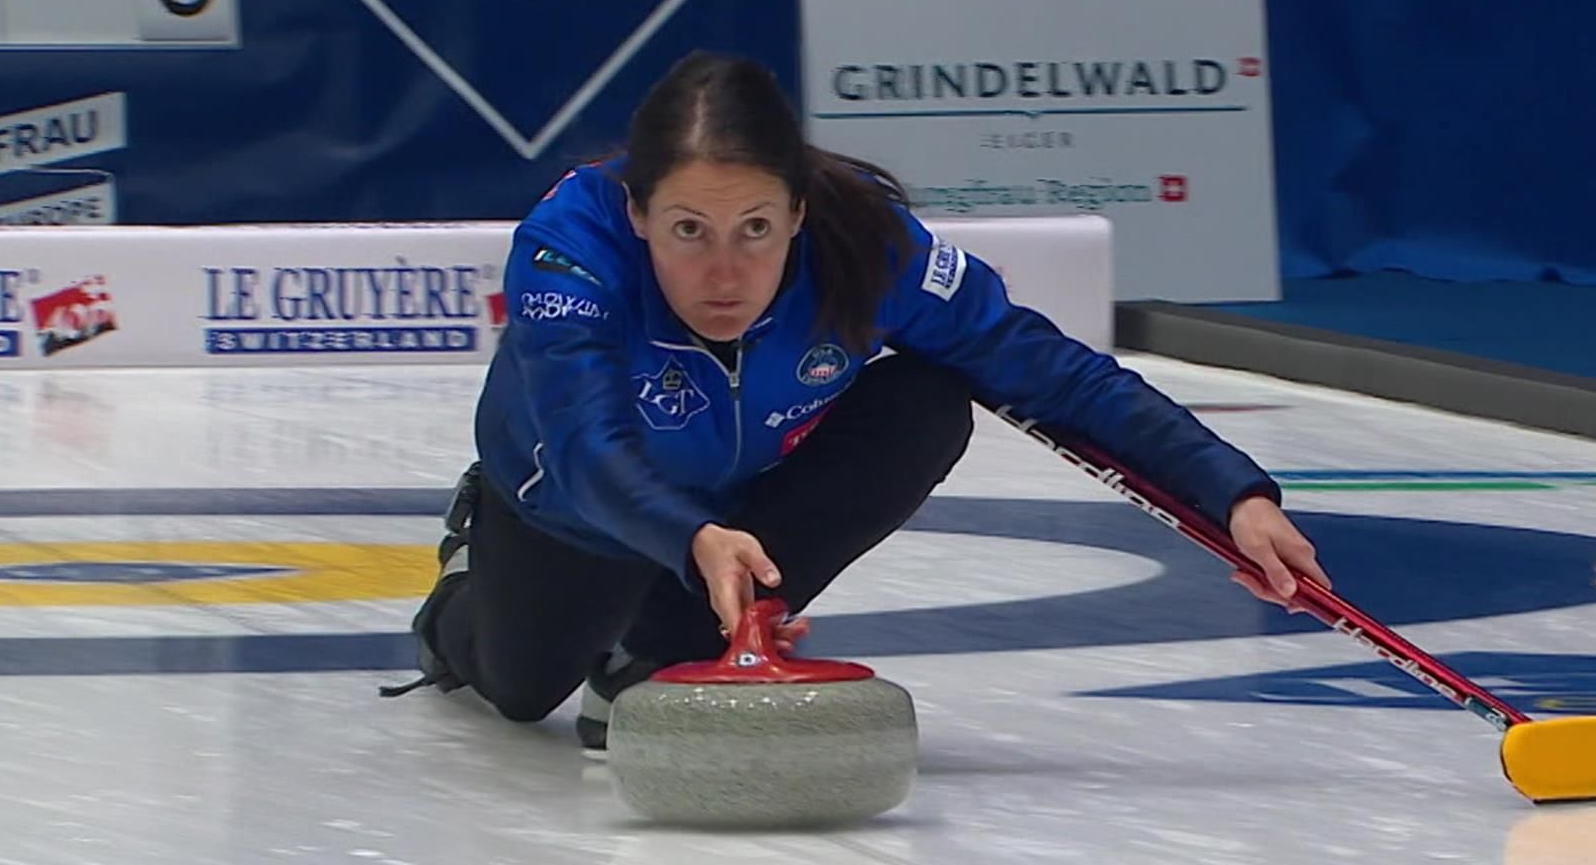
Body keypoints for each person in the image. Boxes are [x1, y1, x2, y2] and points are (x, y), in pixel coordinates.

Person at [386, 50, 1329, 750]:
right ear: (637, 216)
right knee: (518, 693)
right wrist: (689, 538)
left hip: (738, 498)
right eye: (688, 231)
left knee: (930, 397)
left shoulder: (871, 246)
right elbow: (587, 446)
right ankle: (466, 582)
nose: (726, 271)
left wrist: (1232, 492)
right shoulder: (571, 244)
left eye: (756, 228)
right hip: (575, 502)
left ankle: (662, 647)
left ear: (800, 210)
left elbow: (1053, 371)